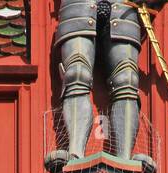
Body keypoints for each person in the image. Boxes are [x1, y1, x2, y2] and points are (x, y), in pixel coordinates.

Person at [53, 0, 144, 164]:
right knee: (76, 73)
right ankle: (75, 154)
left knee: (127, 79)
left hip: (124, 8)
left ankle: (125, 160)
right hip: (77, 7)